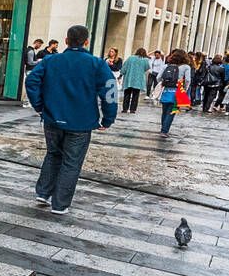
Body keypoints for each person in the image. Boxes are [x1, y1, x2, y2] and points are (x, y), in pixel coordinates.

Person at [26, 25, 118, 215]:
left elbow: (31, 81)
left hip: (52, 117)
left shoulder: (51, 60)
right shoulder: (97, 64)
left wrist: (39, 107)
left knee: (53, 153)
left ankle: (43, 192)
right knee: (71, 162)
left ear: (66, 41)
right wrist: (108, 118)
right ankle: (60, 204)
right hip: (81, 122)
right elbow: (110, 90)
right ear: (86, 42)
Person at [156, 49, 192, 136]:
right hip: (178, 91)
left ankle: (163, 128)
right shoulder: (186, 67)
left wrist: (163, 84)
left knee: (165, 111)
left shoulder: (166, 66)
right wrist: (184, 89)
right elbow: (187, 80)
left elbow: (158, 77)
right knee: (172, 111)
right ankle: (164, 130)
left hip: (166, 90)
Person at [120, 47, 149, 113]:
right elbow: (147, 67)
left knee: (127, 94)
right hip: (138, 80)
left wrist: (121, 74)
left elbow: (124, 67)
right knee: (135, 95)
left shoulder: (130, 58)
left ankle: (125, 108)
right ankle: (133, 109)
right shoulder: (145, 60)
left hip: (129, 79)